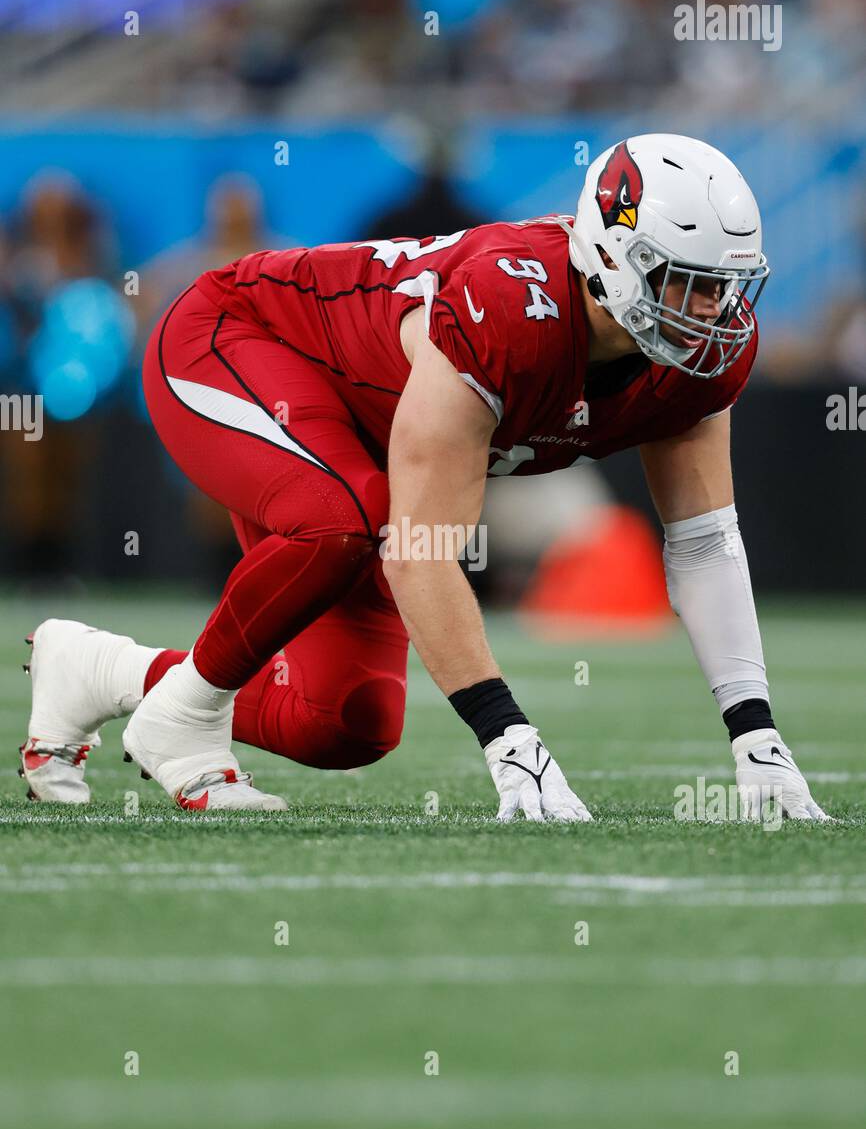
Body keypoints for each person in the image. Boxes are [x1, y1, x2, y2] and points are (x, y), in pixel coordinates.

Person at [21, 134, 826, 821]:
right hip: (232, 337)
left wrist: (754, 733)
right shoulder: (512, 309)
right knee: (343, 519)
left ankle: (96, 668)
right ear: (613, 259)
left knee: (347, 723)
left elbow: (705, 543)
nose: (713, 311)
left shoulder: (701, 356)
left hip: (357, 443)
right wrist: (510, 739)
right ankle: (184, 719)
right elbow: (418, 546)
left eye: (724, 286)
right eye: (686, 280)